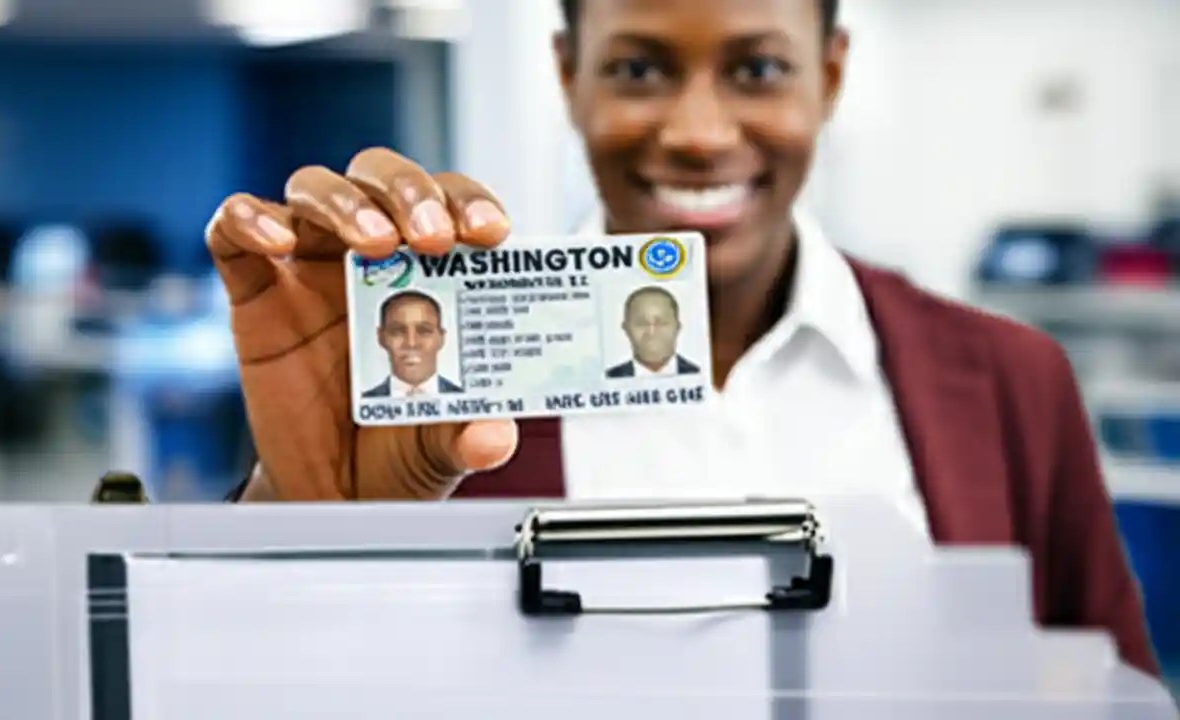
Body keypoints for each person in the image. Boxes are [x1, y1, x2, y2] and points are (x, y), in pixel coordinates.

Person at [206, 0, 1160, 675]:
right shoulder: (441, 395)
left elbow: (1109, 690)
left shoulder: (1010, 383)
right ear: (567, 76)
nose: (700, 132)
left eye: (758, 69)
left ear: (829, 76)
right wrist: (297, 523)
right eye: (638, 69)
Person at [362, 290, 463, 397]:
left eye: (424, 331)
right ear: (381, 338)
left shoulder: (465, 399)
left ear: (441, 337)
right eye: (397, 331)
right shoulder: (362, 401)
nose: (411, 343)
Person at [606, 286, 700, 378]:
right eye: (641, 323)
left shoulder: (700, 375)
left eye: (662, 323)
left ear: (677, 326)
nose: (652, 332)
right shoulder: (608, 379)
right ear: (626, 328)